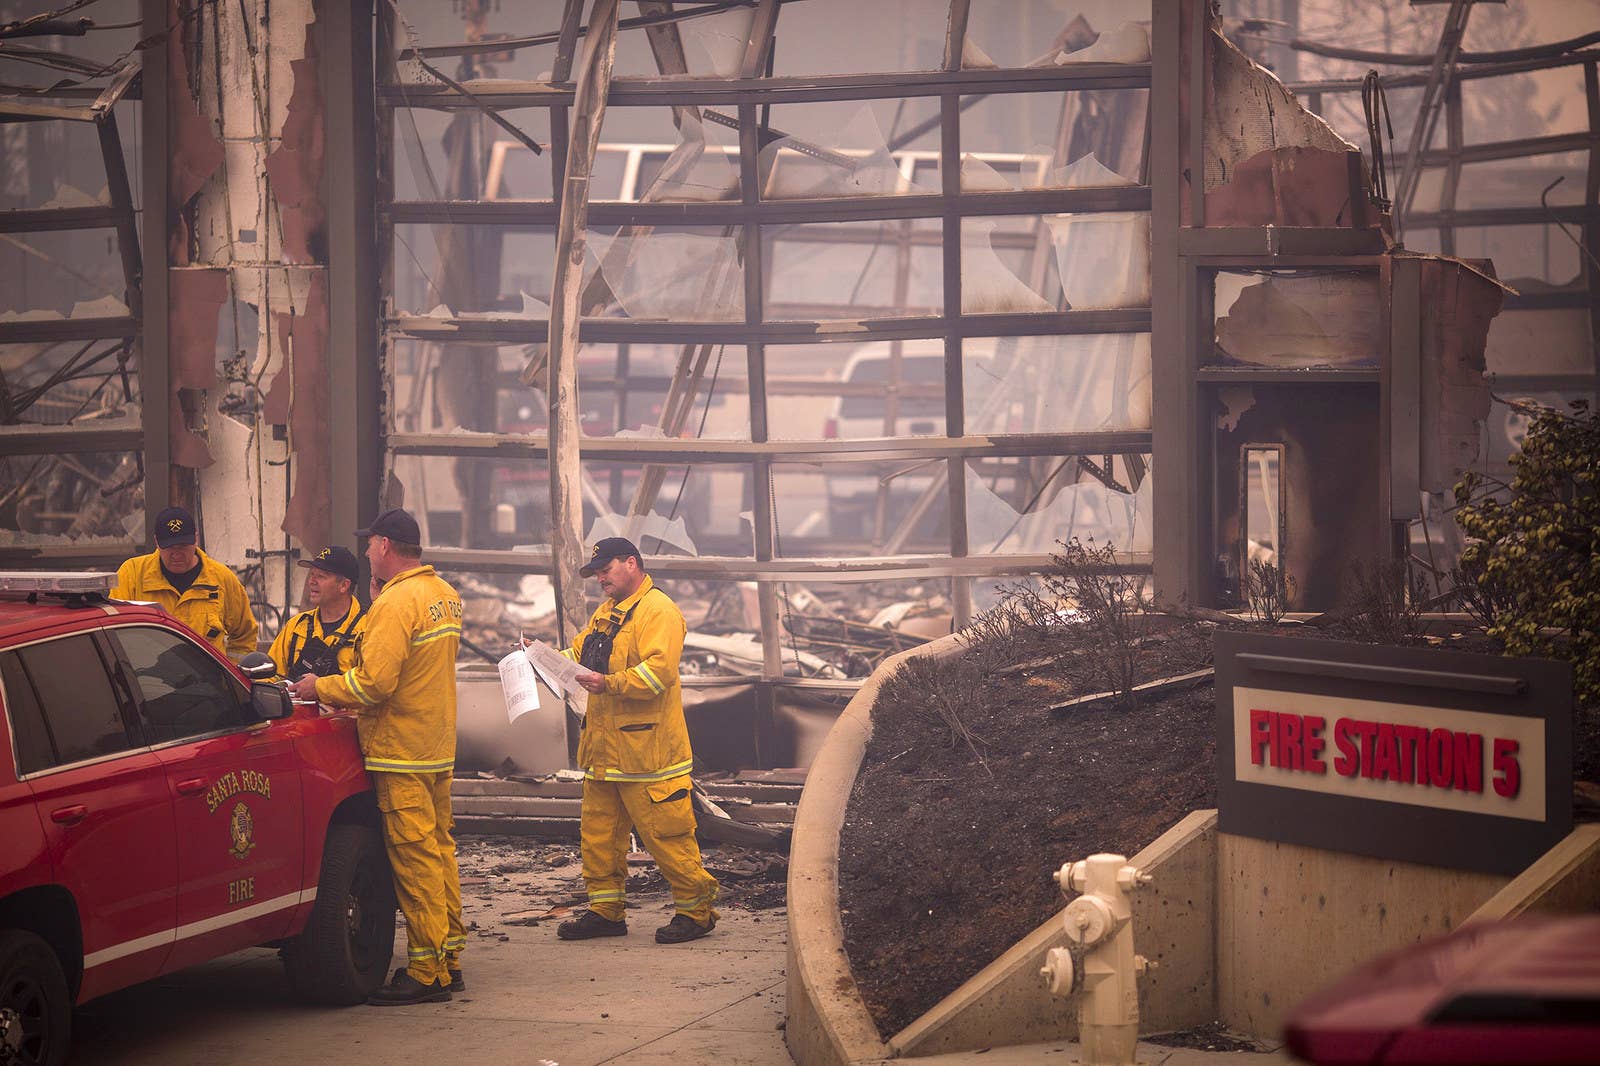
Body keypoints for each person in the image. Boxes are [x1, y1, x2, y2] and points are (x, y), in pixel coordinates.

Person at [288, 509, 467, 1005]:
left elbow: (374, 684)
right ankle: (450, 956)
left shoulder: (395, 604)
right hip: (434, 746)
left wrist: (318, 685)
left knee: (414, 861)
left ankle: (428, 971)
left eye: (370, 545)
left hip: (400, 750)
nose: (367, 552)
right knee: (439, 850)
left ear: (385, 545)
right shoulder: (444, 597)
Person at [555, 537, 721, 945]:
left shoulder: (658, 611)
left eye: (605, 569)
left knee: (667, 836)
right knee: (599, 837)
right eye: (595, 573)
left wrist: (607, 684)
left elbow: (657, 673)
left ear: (632, 563)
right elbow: (576, 657)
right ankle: (605, 912)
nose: (600, 578)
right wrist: (538, 658)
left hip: (649, 757)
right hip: (604, 754)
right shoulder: (606, 614)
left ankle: (696, 911)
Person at [111, 505, 258, 661]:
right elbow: (115, 631)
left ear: (196, 539)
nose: (176, 554)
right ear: (156, 542)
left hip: (207, 683)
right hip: (147, 682)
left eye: (182, 546)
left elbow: (245, 636)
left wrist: (230, 675)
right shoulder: (132, 575)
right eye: (169, 547)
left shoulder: (222, 579)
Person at [266, 546, 367, 681]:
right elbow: (269, 677)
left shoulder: (367, 628)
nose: (311, 581)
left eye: (321, 576)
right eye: (312, 574)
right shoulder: (296, 626)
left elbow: (370, 687)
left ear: (344, 585)